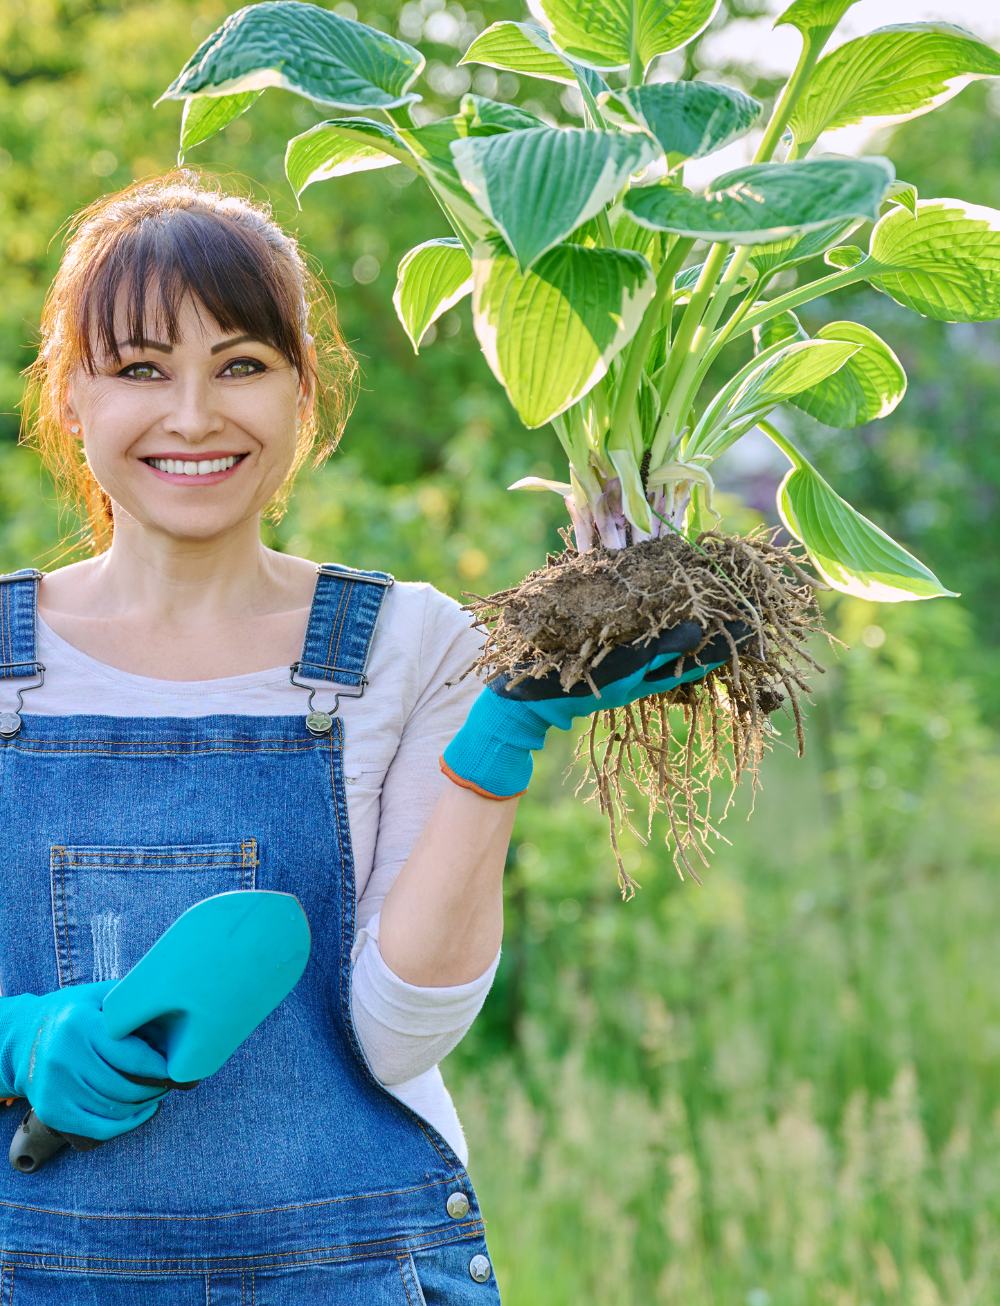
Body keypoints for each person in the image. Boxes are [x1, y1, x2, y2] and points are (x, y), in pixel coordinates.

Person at [0, 173, 706, 1302]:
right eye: (140, 369)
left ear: (303, 396)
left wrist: (497, 748)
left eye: (241, 366)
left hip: (348, 1273)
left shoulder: (405, 643)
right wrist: (17, 1036)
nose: (192, 415)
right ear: (71, 398)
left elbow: (393, 1038)